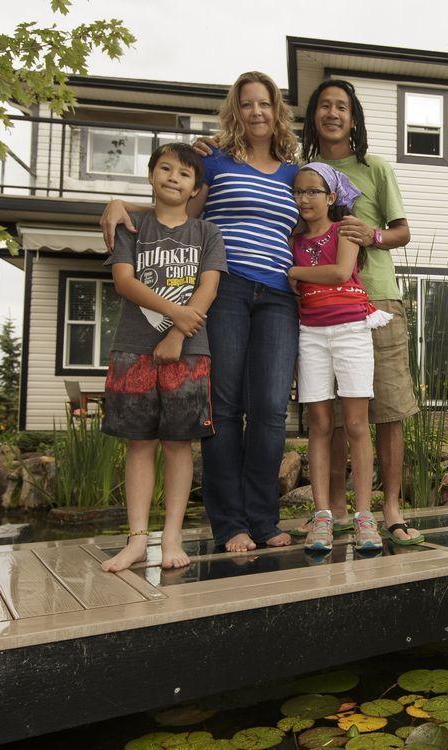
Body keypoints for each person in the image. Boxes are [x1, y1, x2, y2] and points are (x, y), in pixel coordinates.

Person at [100, 71, 300, 553]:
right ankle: (229, 524)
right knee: (225, 409)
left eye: (265, 104)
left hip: (278, 296)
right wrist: (114, 202)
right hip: (224, 290)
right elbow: (172, 202)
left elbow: (318, 221)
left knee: (271, 410)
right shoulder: (215, 163)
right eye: (247, 104)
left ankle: (263, 518)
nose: (256, 112)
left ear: (277, 112)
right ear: (236, 111)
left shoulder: (297, 174)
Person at [300, 79, 424, 545]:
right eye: (325, 105)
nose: (333, 113)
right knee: (329, 415)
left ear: (354, 118)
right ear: (314, 116)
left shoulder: (374, 169)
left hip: (377, 299)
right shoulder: (303, 176)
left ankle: (389, 508)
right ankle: (330, 510)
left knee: (387, 409)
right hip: (322, 310)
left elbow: (402, 232)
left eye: (342, 107)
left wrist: (370, 235)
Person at [100, 142, 227, 572]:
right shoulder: (131, 226)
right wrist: (174, 314)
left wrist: (176, 335)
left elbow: (207, 289)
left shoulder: (207, 233)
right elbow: (123, 281)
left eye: (184, 173)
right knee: (139, 444)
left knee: (178, 444)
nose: (174, 177)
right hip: (133, 349)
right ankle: (137, 539)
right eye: (165, 169)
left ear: (196, 188)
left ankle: (172, 536)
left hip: (189, 353)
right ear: (151, 176)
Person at [289, 163, 393, 552]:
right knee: (318, 422)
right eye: (298, 192)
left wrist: (295, 271)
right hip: (311, 333)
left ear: (331, 196)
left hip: (351, 330)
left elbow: (339, 272)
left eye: (313, 191)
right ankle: (322, 515)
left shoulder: (344, 228)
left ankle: (364, 514)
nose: (304, 199)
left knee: (354, 423)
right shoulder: (293, 237)